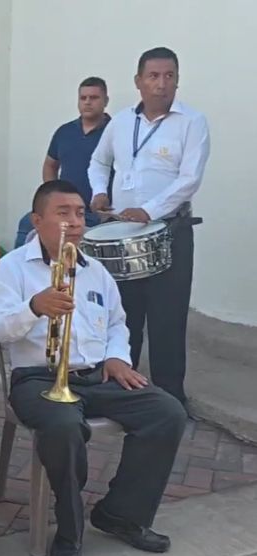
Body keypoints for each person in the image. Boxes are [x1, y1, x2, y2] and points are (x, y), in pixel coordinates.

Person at [0, 180, 188, 556]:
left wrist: (117, 358)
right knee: (63, 426)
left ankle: (121, 513)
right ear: (38, 219)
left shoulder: (96, 271)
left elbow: (118, 323)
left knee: (167, 412)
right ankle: (69, 527)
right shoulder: (12, 267)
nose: (75, 222)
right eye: (63, 212)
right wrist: (34, 306)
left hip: (94, 377)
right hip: (37, 379)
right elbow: (0, 330)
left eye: (80, 213)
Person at [88, 47, 210, 405]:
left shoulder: (192, 122)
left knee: (167, 319)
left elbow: (189, 179)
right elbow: (99, 162)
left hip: (170, 231)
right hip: (123, 235)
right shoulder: (122, 122)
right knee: (123, 314)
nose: (161, 84)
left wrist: (150, 210)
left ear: (177, 80)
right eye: (153, 76)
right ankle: (123, 392)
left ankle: (170, 399)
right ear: (138, 81)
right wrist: (98, 193)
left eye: (169, 76)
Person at [15, 77, 111, 248]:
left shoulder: (115, 131)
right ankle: (17, 270)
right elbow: (50, 165)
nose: (88, 102)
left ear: (106, 101)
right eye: (83, 98)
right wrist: (53, 196)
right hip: (65, 210)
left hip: (98, 215)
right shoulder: (64, 132)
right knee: (27, 223)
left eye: (94, 98)